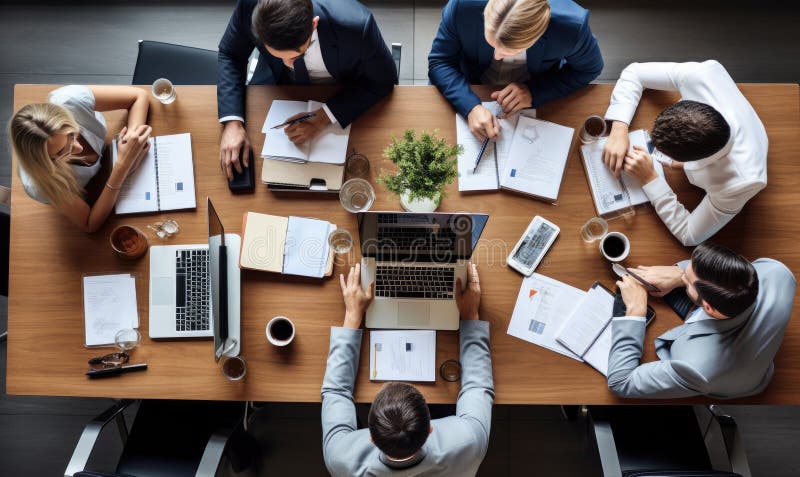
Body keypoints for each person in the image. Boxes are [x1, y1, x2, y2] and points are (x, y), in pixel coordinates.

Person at [321, 262, 494, 476]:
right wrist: (471, 316)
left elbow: (336, 392)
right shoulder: (469, 441)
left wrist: (352, 316)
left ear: (371, 438)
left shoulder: (341, 457)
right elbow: (478, 386)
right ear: (431, 428)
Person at [217, 0, 397, 179]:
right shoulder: (250, 6)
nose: (289, 64)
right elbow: (231, 54)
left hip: (342, 89)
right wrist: (232, 122)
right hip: (275, 85)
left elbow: (383, 80)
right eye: (278, 55)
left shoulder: (356, 26)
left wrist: (325, 116)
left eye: (297, 57)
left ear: (313, 24)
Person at [602, 60, 768, 246]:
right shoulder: (701, 74)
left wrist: (650, 179)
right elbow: (634, 72)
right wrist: (619, 128)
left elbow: (689, 235)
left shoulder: (739, 185)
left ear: (696, 161)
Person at [607, 242, 796, 399]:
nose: (683, 274)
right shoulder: (777, 272)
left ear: (708, 308)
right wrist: (679, 275)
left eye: (687, 280)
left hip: (731, 379)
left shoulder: (696, 367)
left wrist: (636, 311)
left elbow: (620, 383)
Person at [428, 0, 603, 141]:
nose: (497, 56)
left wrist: (533, 92)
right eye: (491, 43)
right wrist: (470, 106)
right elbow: (440, 61)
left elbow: (589, 69)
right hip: (468, 82)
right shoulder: (462, 5)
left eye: (508, 52)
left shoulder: (571, 28)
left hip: (538, 87)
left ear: (537, 36)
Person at [9, 85, 152, 233]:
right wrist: (122, 167)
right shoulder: (39, 185)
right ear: (46, 162)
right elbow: (89, 224)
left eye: (72, 134)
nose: (79, 148)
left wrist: (133, 139)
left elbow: (138, 95)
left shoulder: (70, 99)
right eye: (62, 152)